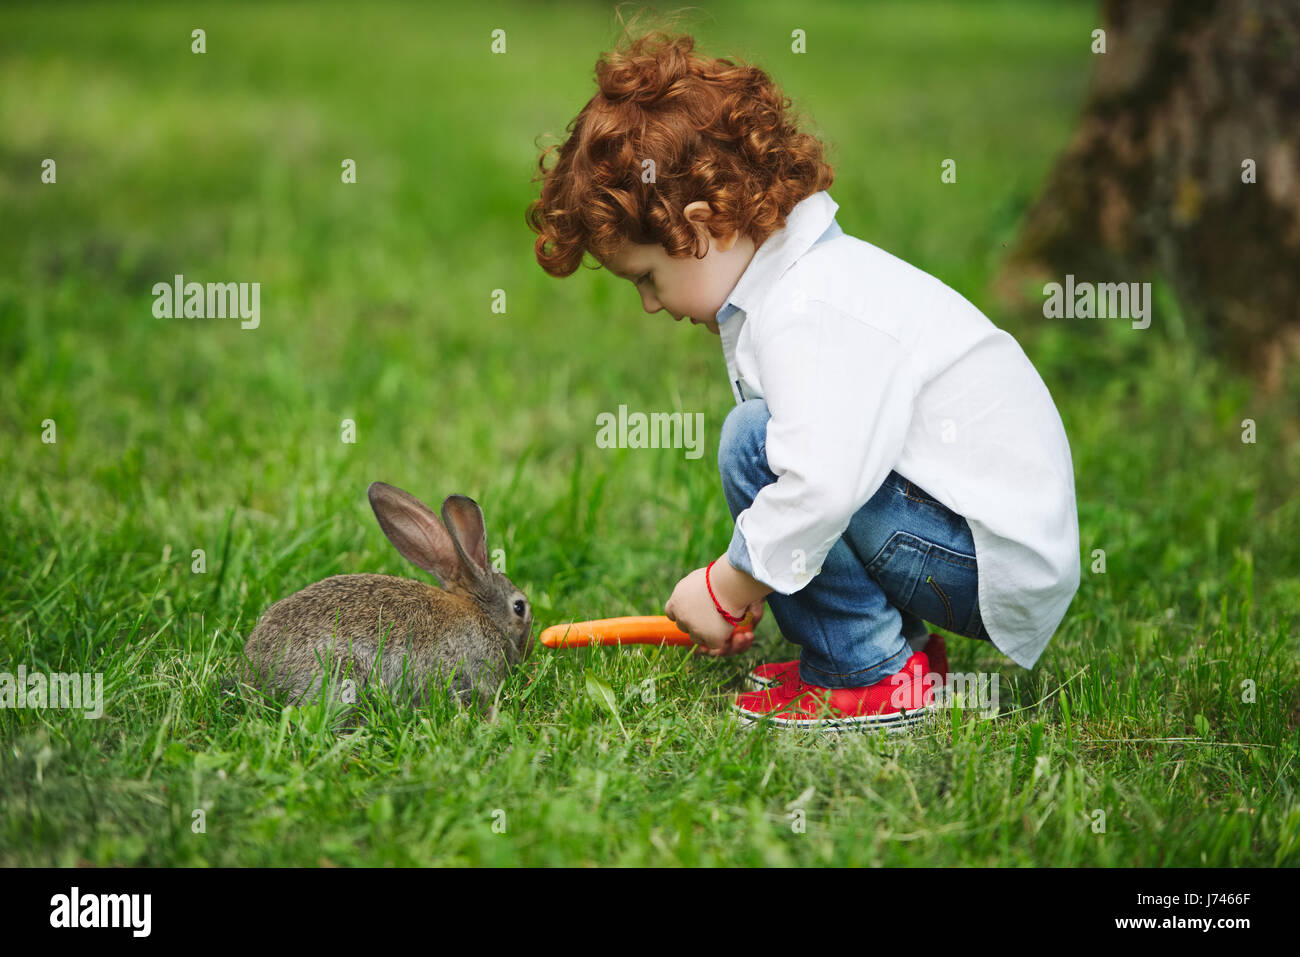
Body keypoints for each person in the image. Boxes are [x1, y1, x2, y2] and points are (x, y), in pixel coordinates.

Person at [527, 26, 1080, 731]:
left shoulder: (807, 308)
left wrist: (731, 583)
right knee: (772, 450)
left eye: (648, 277)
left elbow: (822, 481)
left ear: (703, 227)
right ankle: (895, 655)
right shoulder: (804, 282)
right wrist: (758, 565)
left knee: (756, 444)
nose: (650, 303)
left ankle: (864, 674)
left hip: (988, 555)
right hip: (981, 536)